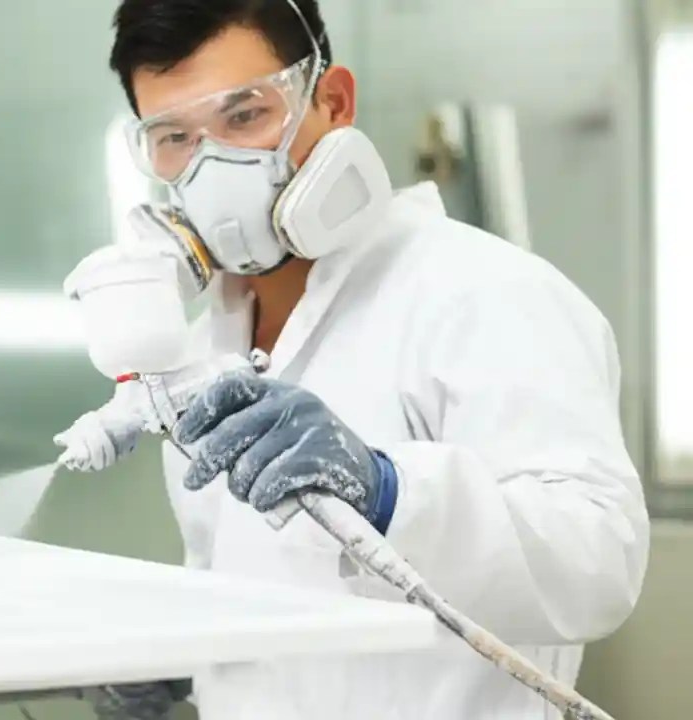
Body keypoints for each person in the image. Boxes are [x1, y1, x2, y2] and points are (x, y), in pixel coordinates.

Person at [84, 0, 651, 718]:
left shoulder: (485, 294)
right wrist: (187, 663)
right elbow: (273, 601)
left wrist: (390, 493)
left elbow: (598, 564)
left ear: (333, 100)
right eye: (173, 137)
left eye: (245, 116)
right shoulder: (202, 349)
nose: (211, 166)